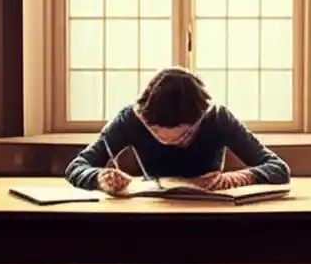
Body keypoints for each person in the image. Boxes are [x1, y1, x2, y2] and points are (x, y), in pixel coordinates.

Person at [63, 66, 292, 194]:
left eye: (184, 135)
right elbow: (76, 166)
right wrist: (99, 178)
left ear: (200, 118)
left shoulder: (217, 117)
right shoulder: (132, 117)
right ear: (145, 115)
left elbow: (278, 168)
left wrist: (235, 179)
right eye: (156, 132)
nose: (169, 140)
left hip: (213, 217)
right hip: (151, 215)